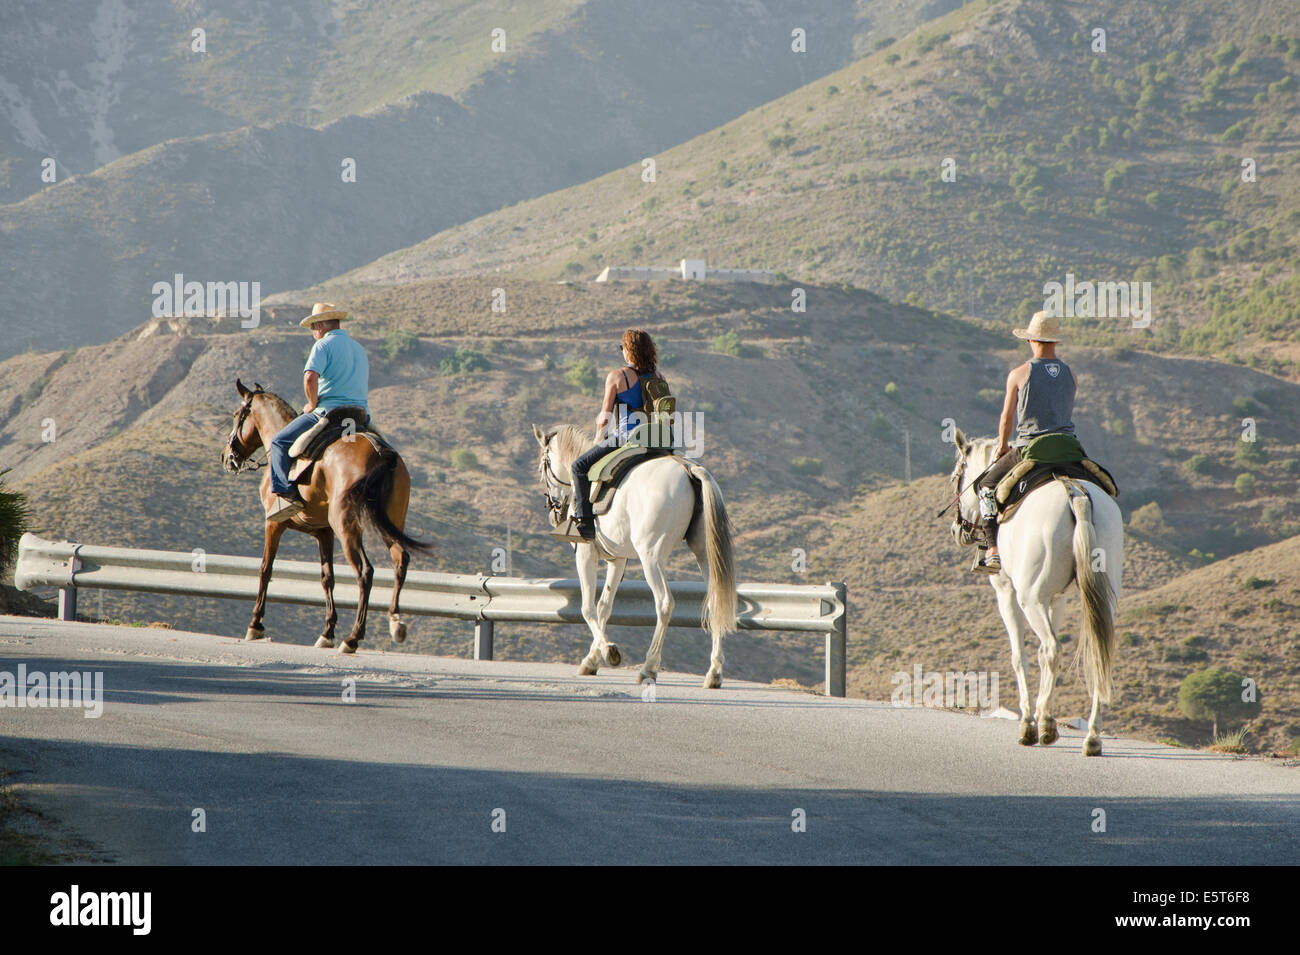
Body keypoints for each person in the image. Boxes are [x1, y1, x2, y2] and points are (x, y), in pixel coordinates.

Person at [973, 310, 1077, 573]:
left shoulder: (1019, 374)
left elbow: (1006, 419)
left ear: (1031, 340)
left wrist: (1002, 447)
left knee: (985, 487)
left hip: (1031, 447)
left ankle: (993, 549)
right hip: (1069, 447)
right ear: (1055, 342)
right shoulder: (1071, 375)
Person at [266, 303, 370, 523]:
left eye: (313, 327)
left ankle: (285, 497)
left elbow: (310, 377)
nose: (313, 333)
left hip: (330, 411)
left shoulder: (323, 346)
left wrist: (311, 404)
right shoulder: (359, 348)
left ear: (321, 325)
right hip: (360, 415)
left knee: (279, 442)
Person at [569, 328, 666, 540]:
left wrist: (598, 438)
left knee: (578, 467)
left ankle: (584, 525)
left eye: (622, 347)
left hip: (627, 439)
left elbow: (605, 415)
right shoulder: (659, 376)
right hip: (658, 440)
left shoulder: (617, 376)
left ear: (628, 350)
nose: (622, 351)